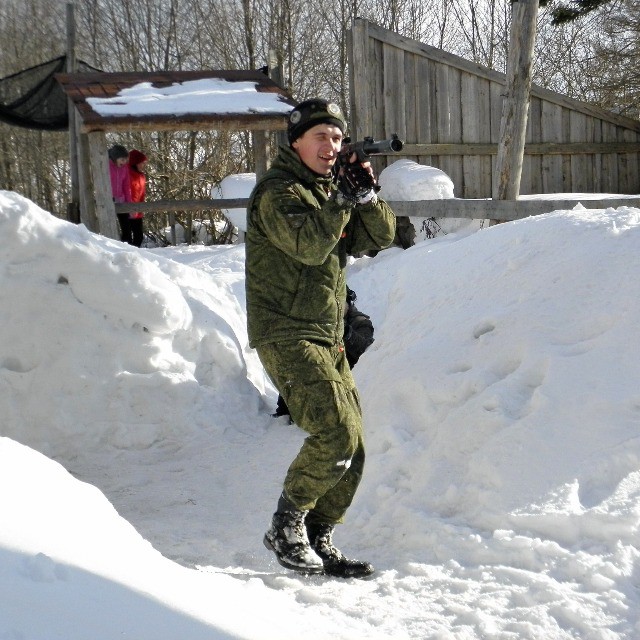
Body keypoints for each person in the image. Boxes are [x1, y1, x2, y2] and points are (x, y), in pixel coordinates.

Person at [245, 98, 396, 578]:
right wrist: (342, 200)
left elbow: (381, 238)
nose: (330, 146)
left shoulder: (330, 190)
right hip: (287, 330)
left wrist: (367, 195)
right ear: (296, 142)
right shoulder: (278, 192)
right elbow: (310, 246)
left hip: (327, 334)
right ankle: (285, 526)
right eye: (320, 137)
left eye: (336, 137)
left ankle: (318, 534)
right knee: (334, 432)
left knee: (354, 444)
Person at [273, 286, 374, 419]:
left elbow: (364, 350)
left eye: (339, 302)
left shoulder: (360, 322)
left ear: (348, 302)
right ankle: (287, 409)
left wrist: (344, 331)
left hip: (347, 379)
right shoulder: (318, 323)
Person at [108, 144, 133, 243]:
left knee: (126, 228)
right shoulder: (106, 165)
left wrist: (129, 203)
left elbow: (126, 186)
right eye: (122, 159)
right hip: (108, 199)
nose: (124, 162)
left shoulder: (124, 168)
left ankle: (127, 248)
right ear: (115, 158)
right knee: (110, 227)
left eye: (126, 160)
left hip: (121, 200)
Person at [127, 149, 148, 247]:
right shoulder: (128, 174)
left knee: (139, 236)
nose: (144, 165)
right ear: (135, 163)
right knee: (127, 236)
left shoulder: (142, 176)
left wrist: (141, 207)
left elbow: (142, 193)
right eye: (142, 163)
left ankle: (135, 254)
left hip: (138, 209)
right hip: (128, 208)